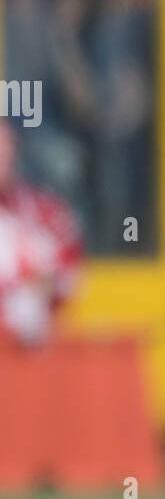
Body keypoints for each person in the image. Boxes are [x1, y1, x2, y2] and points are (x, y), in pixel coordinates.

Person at [0, 118, 83, 347]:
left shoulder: (46, 213)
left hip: (31, 358)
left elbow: (68, 276)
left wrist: (36, 290)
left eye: (5, 146)